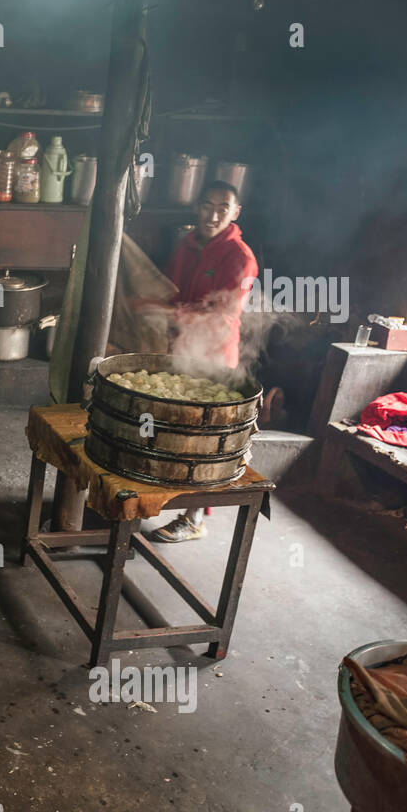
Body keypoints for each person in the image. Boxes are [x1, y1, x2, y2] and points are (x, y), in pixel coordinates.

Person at [146, 179, 258, 542]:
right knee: (175, 426)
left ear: (235, 213)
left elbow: (221, 313)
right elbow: (172, 288)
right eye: (206, 205)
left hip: (213, 351)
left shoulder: (240, 257)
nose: (212, 214)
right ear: (196, 206)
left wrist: (167, 311)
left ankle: (194, 519)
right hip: (181, 346)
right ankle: (163, 498)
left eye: (222, 208)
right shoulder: (187, 244)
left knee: (205, 437)